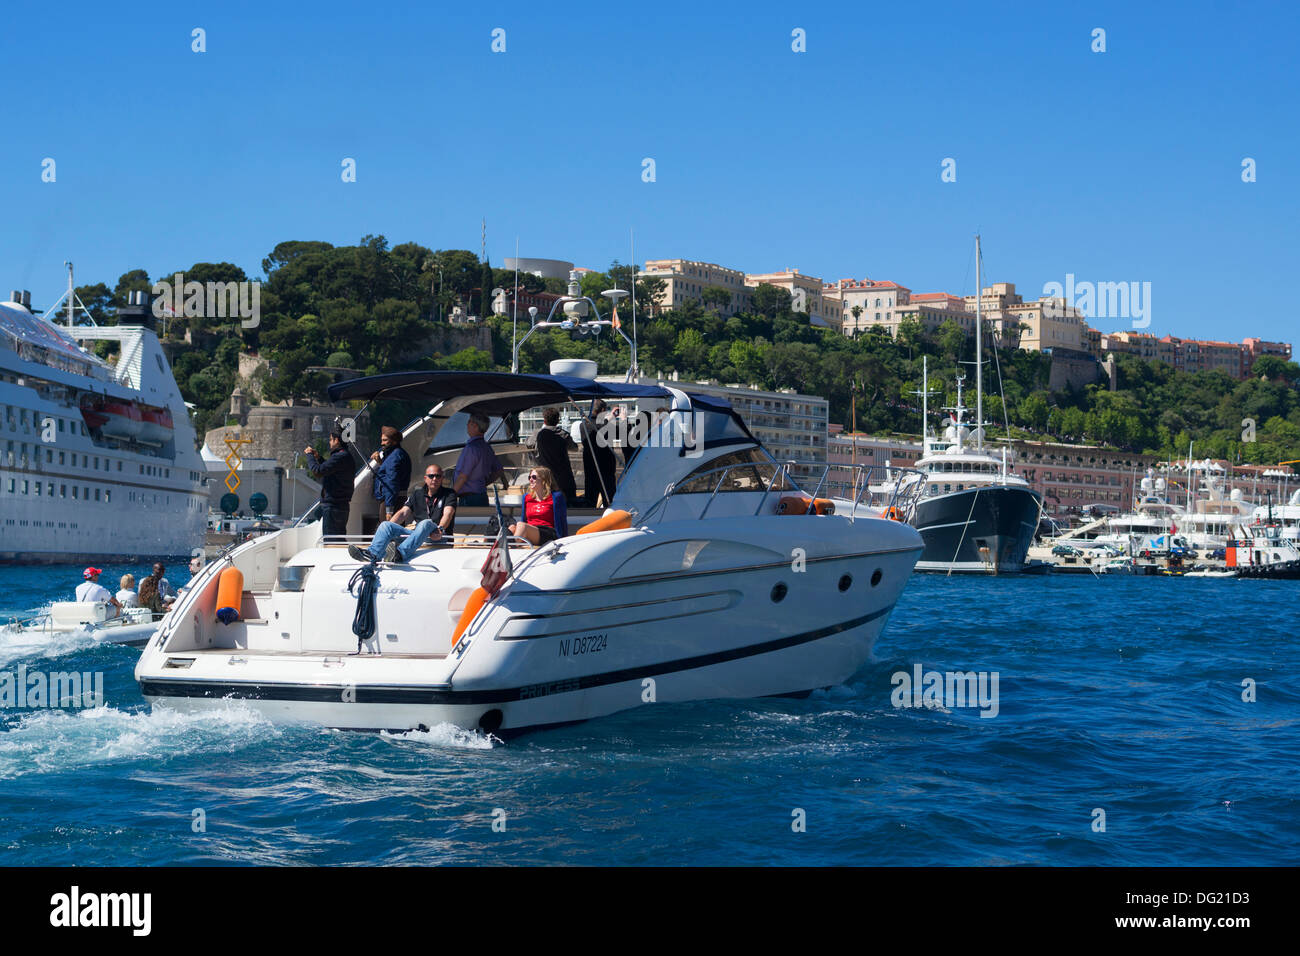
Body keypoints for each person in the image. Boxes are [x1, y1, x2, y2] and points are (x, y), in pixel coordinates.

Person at [349, 465, 459, 564]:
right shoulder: (417, 494)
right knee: (385, 525)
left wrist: (440, 529)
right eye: (431, 476)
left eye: (438, 476)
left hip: (437, 535)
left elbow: (448, 514)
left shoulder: (449, 494)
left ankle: (399, 554)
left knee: (426, 523)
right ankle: (372, 554)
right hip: (416, 535)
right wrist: (389, 529)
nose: (434, 479)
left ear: (442, 478)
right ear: (425, 478)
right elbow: (403, 513)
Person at [305, 427, 355, 536]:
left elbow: (317, 471)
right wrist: (319, 458)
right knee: (338, 538)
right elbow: (331, 469)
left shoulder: (340, 456)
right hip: (340, 506)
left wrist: (309, 455)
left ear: (337, 440)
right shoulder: (345, 456)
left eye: (331, 439)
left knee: (331, 540)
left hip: (334, 506)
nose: (329, 442)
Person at [452, 411, 505, 507]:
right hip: (481, 496)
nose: (467, 425)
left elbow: (462, 476)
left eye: (469, 422)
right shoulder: (487, 447)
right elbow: (499, 470)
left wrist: (450, 496)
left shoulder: (471, 448)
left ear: (475, 426)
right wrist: (482, 483)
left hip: (469, 499)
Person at [510, 466, 568, 546]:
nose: (530, 480)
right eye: (529, 477)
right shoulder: (527, 497)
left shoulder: (556, 497)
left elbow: (562, 520)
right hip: (530, 530)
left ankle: (511, 548)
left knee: (521, 525)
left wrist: (564, 541)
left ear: (544, 480)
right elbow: (524, 519)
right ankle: (496, 547)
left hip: (548, 532)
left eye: (534, 477)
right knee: (512, 527)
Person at [532, 407, 578, 505]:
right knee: (569, 502)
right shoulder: (563, 434)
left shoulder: (538, 434)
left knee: (547, 503)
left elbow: (528, 443)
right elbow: (575, 448)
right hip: (564, 477)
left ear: (544, 420)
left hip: (546, 477)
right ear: (558, 421)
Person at [578, 399, 618, 508]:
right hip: (606, 468)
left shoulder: (583, 425)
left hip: (590, 468)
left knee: (590, 502)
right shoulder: (606, 425)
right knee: (609, 503)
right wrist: (611, 420)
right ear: (603, 410)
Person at [368, 425, 411, 521]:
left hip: (392, 500)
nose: (381, 443)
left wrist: (389, 510)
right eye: (382, 440)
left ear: (394, 441)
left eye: (385, 440)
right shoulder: (395, 455)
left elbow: (392, 483)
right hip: (394, 499)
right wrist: (380, 462)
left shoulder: (395, 457)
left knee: (387, 531)